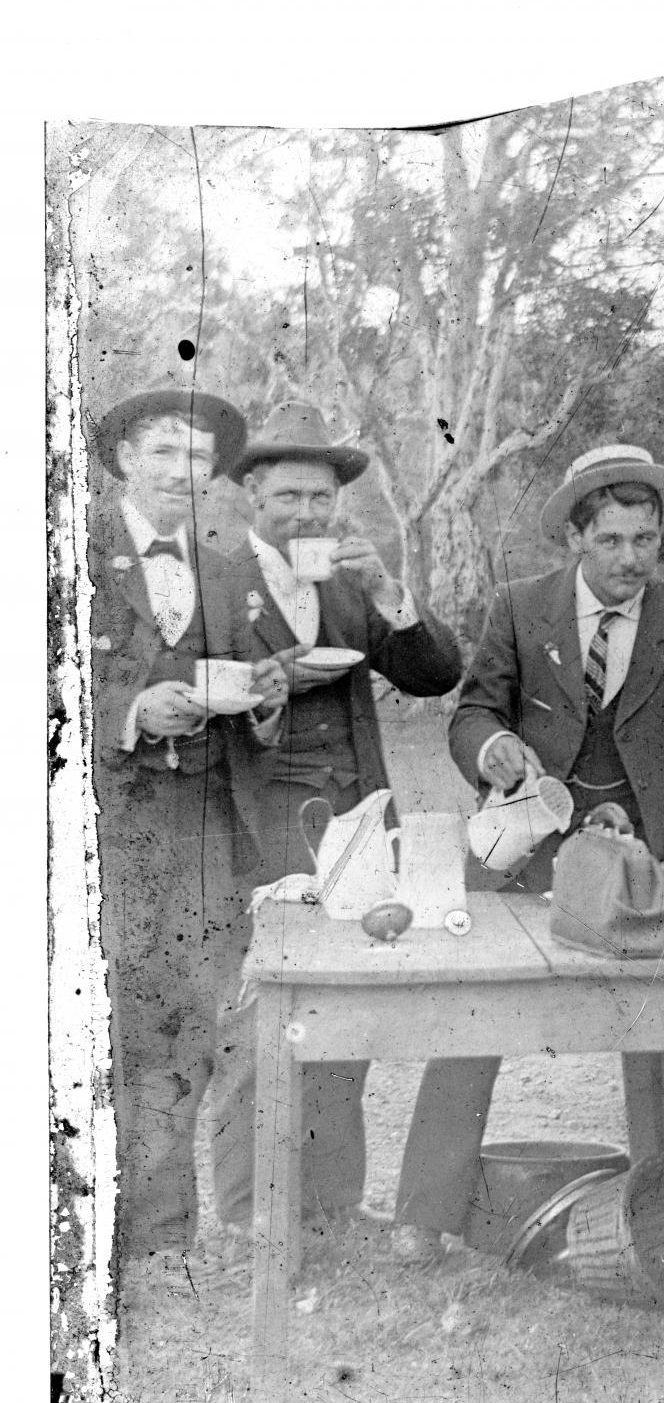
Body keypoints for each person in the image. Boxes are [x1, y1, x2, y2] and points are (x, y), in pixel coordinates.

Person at [391, 443, 664, 1260]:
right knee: (472, 1014)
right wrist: (494, 748)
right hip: (520, 849)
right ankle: (425, 1212)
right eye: (612, 540)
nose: (630, 558)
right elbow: (472, 711)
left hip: (635, 862)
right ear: (577, 537)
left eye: (645, 540)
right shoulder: (521, 606)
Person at [208, 401, 463, 1235]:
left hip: (354, 816)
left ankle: (332, 1202)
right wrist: (263, 687)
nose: (307, 513)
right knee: (261, 1020)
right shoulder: (219, 578)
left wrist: (391, 591)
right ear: (252, 493)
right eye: (289, 497)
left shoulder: (353, 583)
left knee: (346, 1011)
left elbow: (434, 675)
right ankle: (251, 1213)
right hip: (261, 816)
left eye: (320, 498)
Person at [87, 388, 290, 1276]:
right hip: (109, 828)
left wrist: (265, 703)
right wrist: (130, 710)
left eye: (199, 457)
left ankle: (164, 1235)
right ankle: (114, 1231)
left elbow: (241, 686)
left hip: (209, 828)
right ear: (126, 457)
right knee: (121, 1029)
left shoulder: (224, 566)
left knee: (196, 1027)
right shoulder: (67, 553)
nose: (181, 472)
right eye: (164, 451)